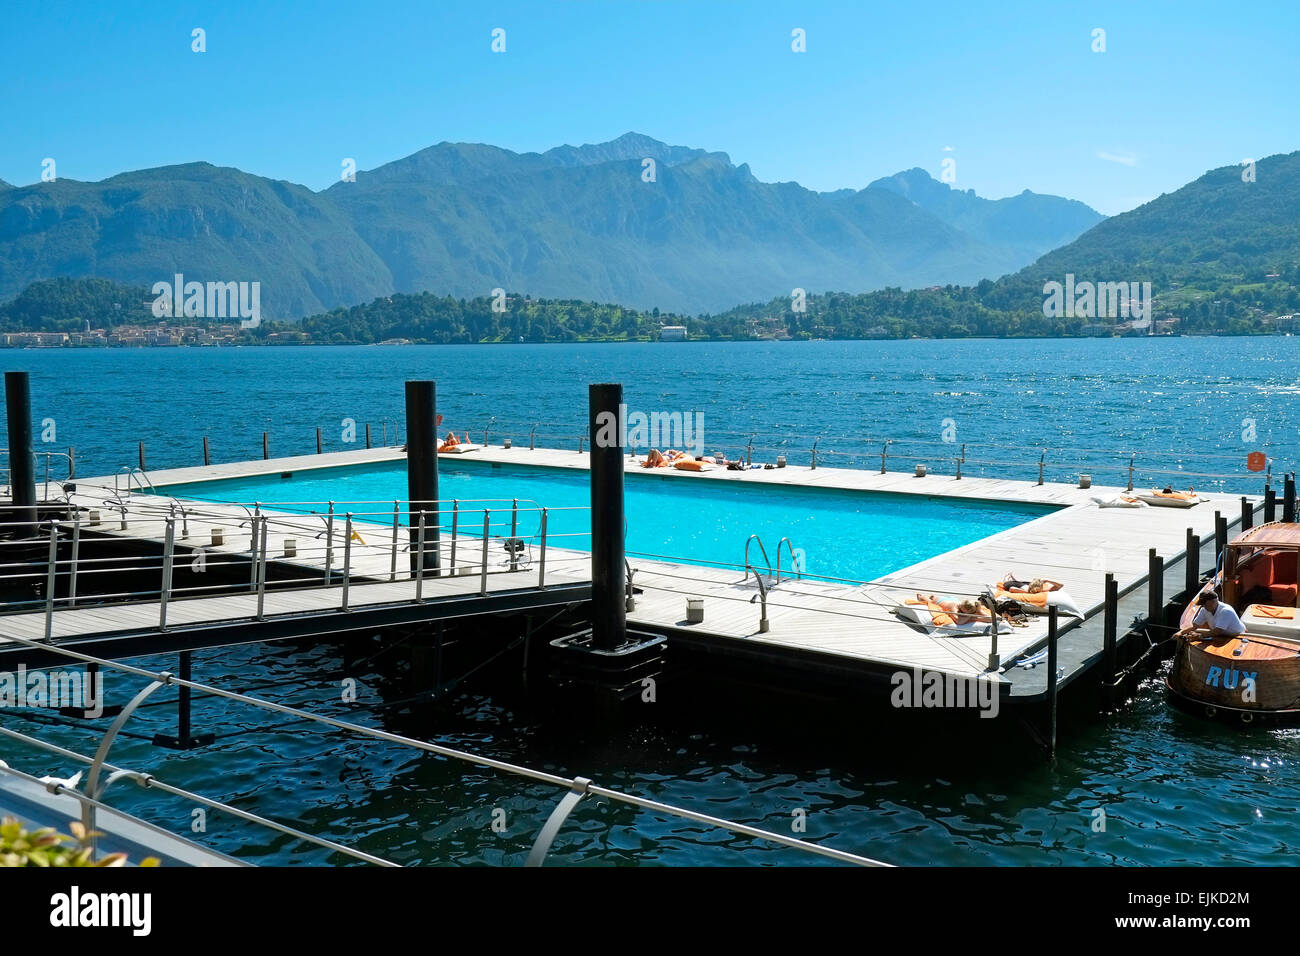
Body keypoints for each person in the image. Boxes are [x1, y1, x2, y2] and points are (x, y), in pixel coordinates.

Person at [1176, 589, 1246, 640]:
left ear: (1214, 601)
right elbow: (1194, 626)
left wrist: (1199, 636)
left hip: (1237, 635)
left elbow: (1218, 630)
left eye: (1205, 603)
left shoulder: (1226, 611)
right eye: (1202, 604)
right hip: (1219, 636)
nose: (1203, 606)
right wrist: (1181, 632)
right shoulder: (1204, 609)